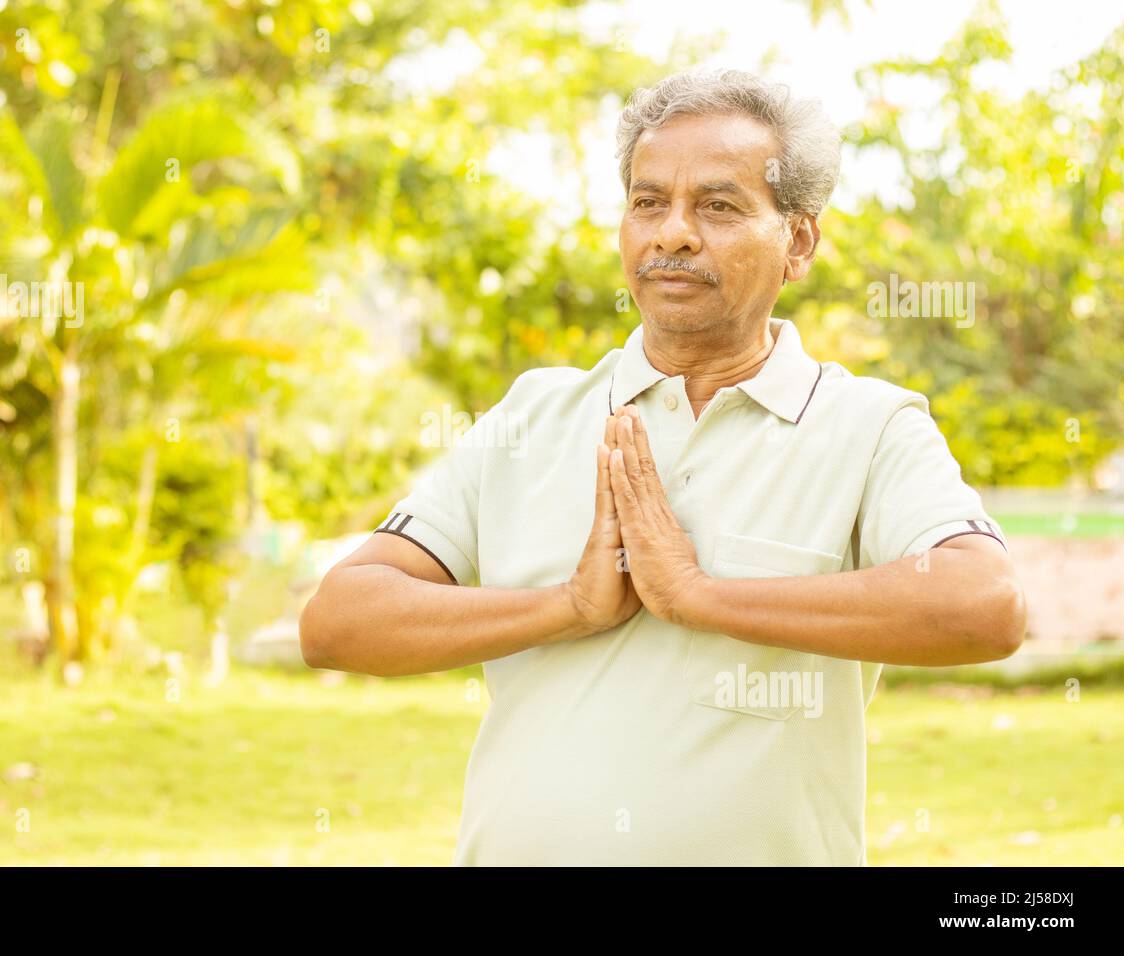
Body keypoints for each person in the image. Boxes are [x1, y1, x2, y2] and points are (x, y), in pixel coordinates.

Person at [299, 69, 1026, 866]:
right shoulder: (531, 416)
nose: (672, 233)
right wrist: (570, 607)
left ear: (800, 242)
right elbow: (339, 622)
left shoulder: (871, 427)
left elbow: (985, 607)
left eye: (718, 206)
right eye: (649, 202)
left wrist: (701, 596)